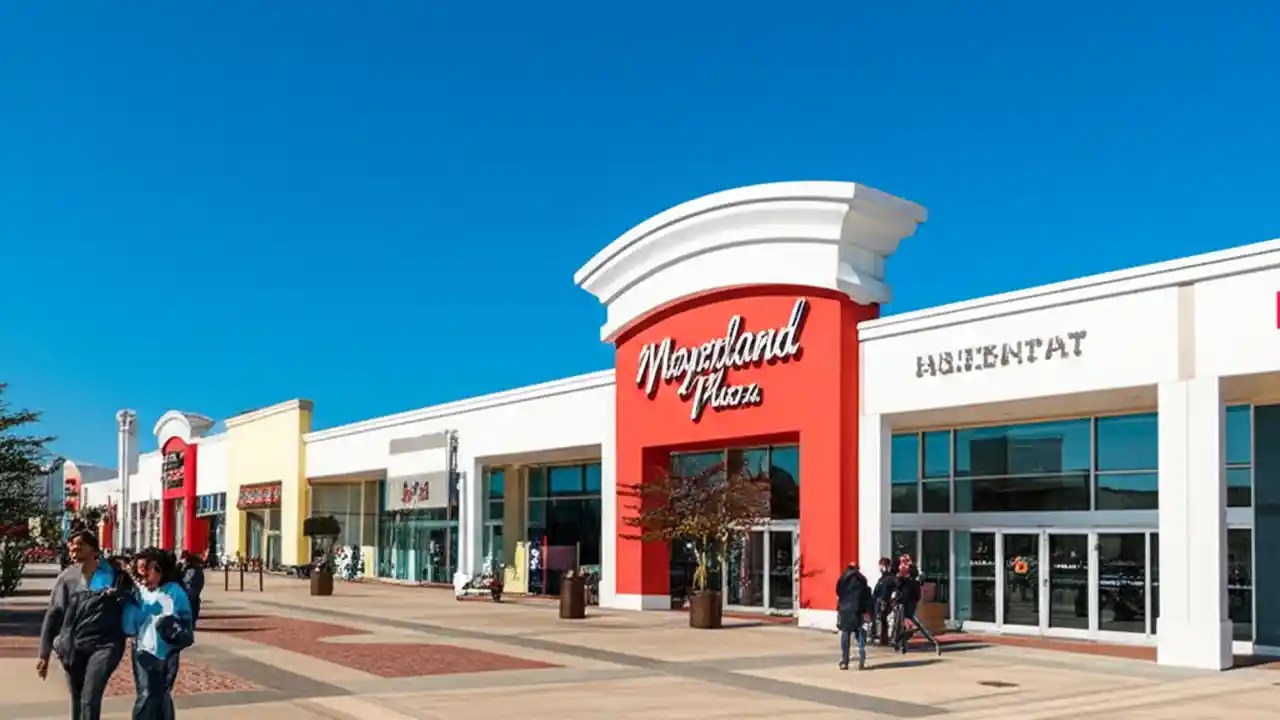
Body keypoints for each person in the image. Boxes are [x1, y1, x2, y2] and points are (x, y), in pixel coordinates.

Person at [37, 529, 134, 720]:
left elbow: (135, 602)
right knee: (78, 699)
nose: (74, 548)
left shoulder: (114, 574)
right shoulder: (67, 578)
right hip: (72, 645)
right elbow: (54, 614)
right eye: (71, 544)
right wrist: (44, 653)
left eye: (80, 544)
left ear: (93, 548)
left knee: (90, 695)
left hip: (105, 645)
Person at [125, 548, 194, 720]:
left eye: (147, 572)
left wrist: (171, 628)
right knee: (146, 693)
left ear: (160, 569)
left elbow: (187, 630)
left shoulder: (175, 592)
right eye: (139, 573)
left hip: (167, 653)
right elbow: (129, 625)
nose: (143, 578)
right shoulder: (138, 592)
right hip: (142, 650)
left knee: (162, 693)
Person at [893, 565, 941, 656]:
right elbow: (917, 597)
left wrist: (897, 600)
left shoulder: (904, 582)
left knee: (899, 627)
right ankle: (903, 645)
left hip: (903, 607)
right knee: (912, 626)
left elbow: (899, 590)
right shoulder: (915, 583)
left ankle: (899, 643)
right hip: (910, 607)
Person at [835, 562, 872, 670]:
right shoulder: (862, 579)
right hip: (858, 610)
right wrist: (866, 611)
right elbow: (866, 595)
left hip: (845, 610)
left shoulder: (842, 579)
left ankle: (844, 661)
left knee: (845, 635)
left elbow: (838, 592)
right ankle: (861, 659)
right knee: (860, 634)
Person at [870, 557, 896, 646]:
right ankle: (882, 639)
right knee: (881, 620)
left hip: (883, 602)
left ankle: (880, 638)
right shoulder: (884, 578)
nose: (880, 568)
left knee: (881, 620)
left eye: (881, 566)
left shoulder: (889, 578)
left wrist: (883, 601)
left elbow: (885, 592)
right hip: (880, 602)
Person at [179, 551, 205, 628]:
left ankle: (190, 623)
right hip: (192, 591)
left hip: (190, 591)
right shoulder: (191, 568)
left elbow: (188, 580)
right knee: (193, 606)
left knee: (191, 606)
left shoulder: (192, 569)